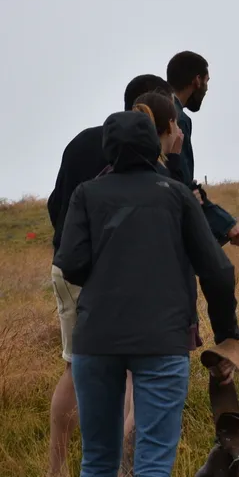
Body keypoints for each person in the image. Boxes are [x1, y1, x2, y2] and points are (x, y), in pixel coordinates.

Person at [53, 109, 239, 477]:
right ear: (154, 144)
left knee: (97, 461)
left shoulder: (86, 194)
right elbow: (218, 271)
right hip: (162, 340)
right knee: (153, 463)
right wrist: (226, 338)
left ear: (108, 148)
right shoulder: (177, 194)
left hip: (96, 340)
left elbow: (70, 264)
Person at [45, 74, 175, 477]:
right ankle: (121, 464)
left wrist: (70, 245)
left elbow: (54, 204)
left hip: (67, 265)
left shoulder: (81, 141)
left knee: (75, 366)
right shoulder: (145, 160)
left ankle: (57, 469)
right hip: (112, 271)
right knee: (133, 367)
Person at [165, 52, 239, 248]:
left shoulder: (158, 111)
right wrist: (227, 226)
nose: (206, 88)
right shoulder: (178, 120)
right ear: (197, 80)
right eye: (207, 81)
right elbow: (183, 185)